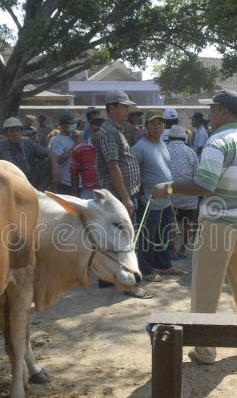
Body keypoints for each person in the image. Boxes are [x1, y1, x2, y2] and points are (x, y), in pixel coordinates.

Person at [151, 90, 237, 364]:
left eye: (212, 109)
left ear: (223, 112)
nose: (209, 114)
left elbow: (204, 184)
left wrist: (168, 187)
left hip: (218, 226)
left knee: (206, 289)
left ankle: (205, 350)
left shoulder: (218, 142)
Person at [95, 89, 154, 297]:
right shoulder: (110, 131)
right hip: (119, 197)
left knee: (116, 240)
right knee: (127, 242)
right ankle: (130, 284)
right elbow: (113, 167)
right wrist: (126, 197)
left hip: (120, 196)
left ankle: (110, 279)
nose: (127, 110)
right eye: (124, 106)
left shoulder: (115, 129)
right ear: (112, 108)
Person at [131, 110, 183, 277]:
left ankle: (164, 265)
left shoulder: (163, 144)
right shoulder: (139, 147)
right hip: (148, 201)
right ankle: (146, 270)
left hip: (166, 199)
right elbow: (133, 174)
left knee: (165, 234)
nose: (157, 127)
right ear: (145, 126)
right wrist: (141, 196)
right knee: (147, 237)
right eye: (152, 123)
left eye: (160, 123)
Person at [165, 124, 199, 259]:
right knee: (187, 222)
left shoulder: (164, 150)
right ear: (184, 139)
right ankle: (183, 248)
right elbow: (197, 173)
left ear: (170, 138)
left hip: (169, 193)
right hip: (188, 195)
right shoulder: (191, 152)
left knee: (170, 222)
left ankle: (172, 250)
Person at [0, 116, 49, 188]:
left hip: (30, 180)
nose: (15, 134)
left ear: (21, 133)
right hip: (11, 182)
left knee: (48, 161)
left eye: (18, 130)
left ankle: (40, 191)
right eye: (12, 131)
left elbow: (48, 152)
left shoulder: (28, 143)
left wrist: (55, 166)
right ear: (6, 133)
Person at [49, 113, 78, 194]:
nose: (74, 125)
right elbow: (60, 159)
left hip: (78, 182)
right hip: (65, 182)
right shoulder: (56, 140)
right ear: (63, 125)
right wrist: (75, 145)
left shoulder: (74, 137)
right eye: (71, 123)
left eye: (74, 123)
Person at [70, 130, 98, 199]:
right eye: (95, 130)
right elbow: (74, 173)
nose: (97, 133)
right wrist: (75, 194)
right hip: (88, 191)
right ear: (90, 131)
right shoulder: (80, 149)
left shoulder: (110, 146)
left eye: (100, 131)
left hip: (108, 190)